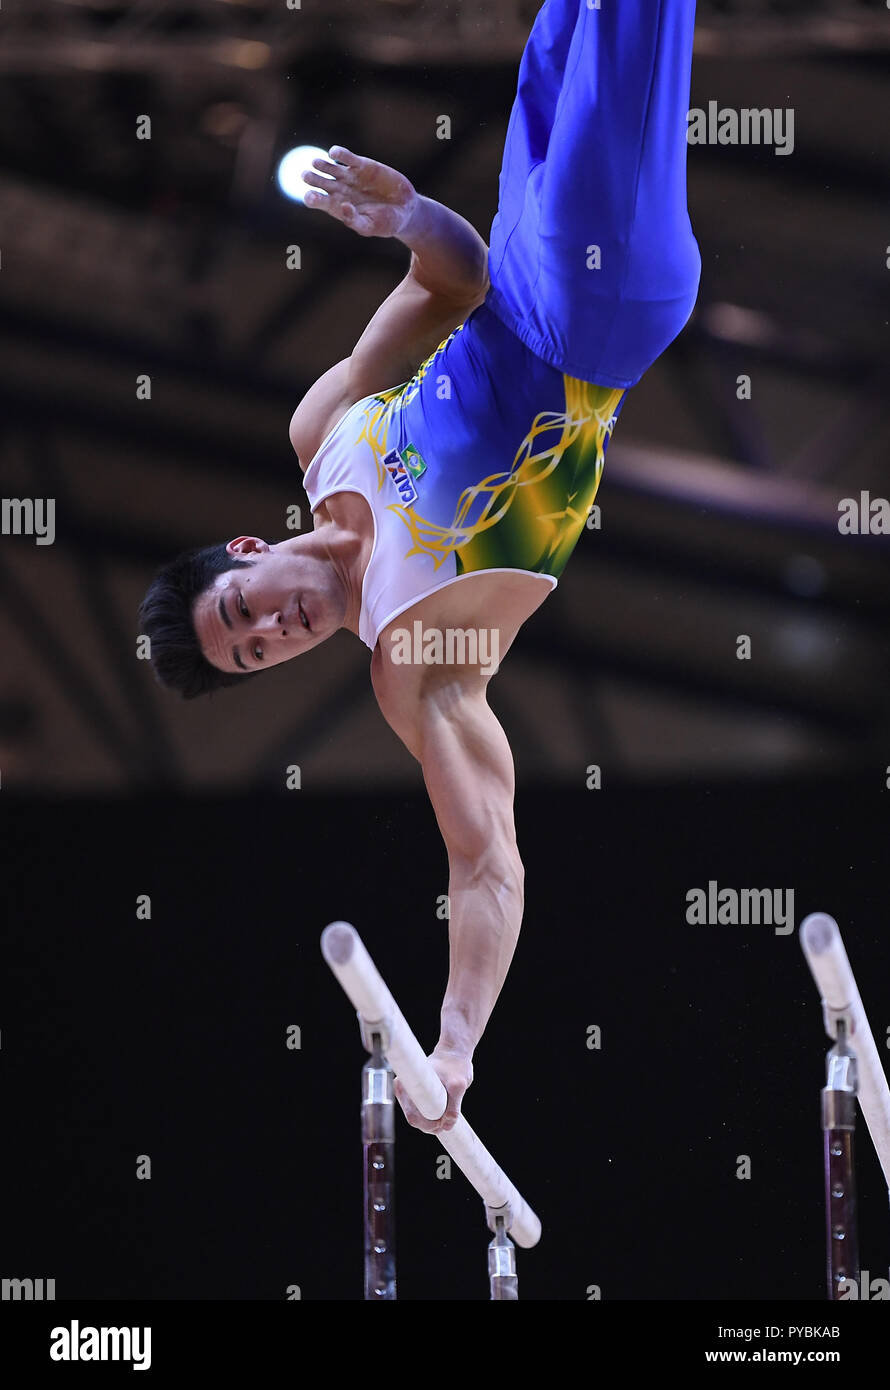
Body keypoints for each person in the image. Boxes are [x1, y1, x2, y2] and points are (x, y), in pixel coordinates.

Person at [139, 0, 700, 1135]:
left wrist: (407, 214)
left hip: (522, 244)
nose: (276, 629)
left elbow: (451, 280)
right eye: (256, 654)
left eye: (245, 609)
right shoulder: (415, 663)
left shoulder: (321, 432)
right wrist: (454, 1039)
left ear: (248, 550)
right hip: (592, 315)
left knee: (565, 22)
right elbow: (487, 860)